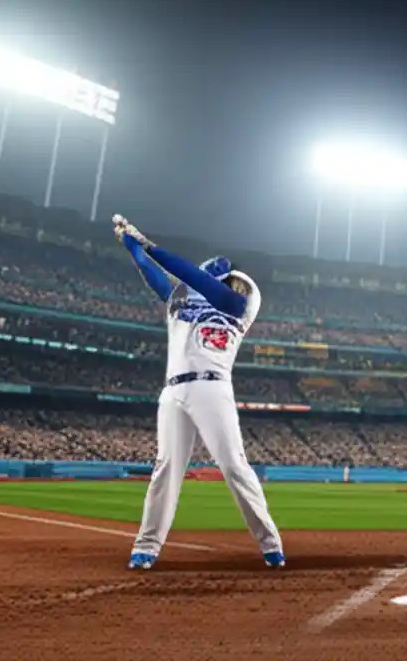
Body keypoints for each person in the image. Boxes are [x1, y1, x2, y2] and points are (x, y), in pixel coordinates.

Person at [113, 214, 285, 570]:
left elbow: (191, 276)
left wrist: (152, 247)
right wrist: (133, 246)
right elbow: (155, 277)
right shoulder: (182, 302)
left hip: (212, 387)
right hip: (173, 391)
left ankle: (271, 544)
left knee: (233, 465)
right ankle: (146, 547)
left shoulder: (233, 304)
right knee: (166, 467)